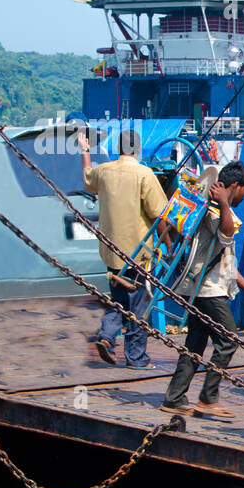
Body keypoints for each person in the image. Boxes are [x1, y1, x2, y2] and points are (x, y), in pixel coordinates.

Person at [161, 161, 244, 419]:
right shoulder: (215, 209)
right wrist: (225, 203)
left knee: (195, 343)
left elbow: (223, 258)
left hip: (201, 285)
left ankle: (174, 397)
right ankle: (208, 398)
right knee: (229, 339)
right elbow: (226, 236)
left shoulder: (214, 208)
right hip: (206, 290)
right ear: (235, 186)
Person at [81, 128, 168, 368]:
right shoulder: (144, 174)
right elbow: (160, 215)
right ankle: (136, 358)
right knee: (139, 306)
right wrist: (169, 246)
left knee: (117, 300)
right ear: (137, 149)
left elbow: (88, 177)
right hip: (139, 254)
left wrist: (85, 150)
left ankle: (107, 337)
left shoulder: (104, 171)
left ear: (117, 149)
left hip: (111, 252)